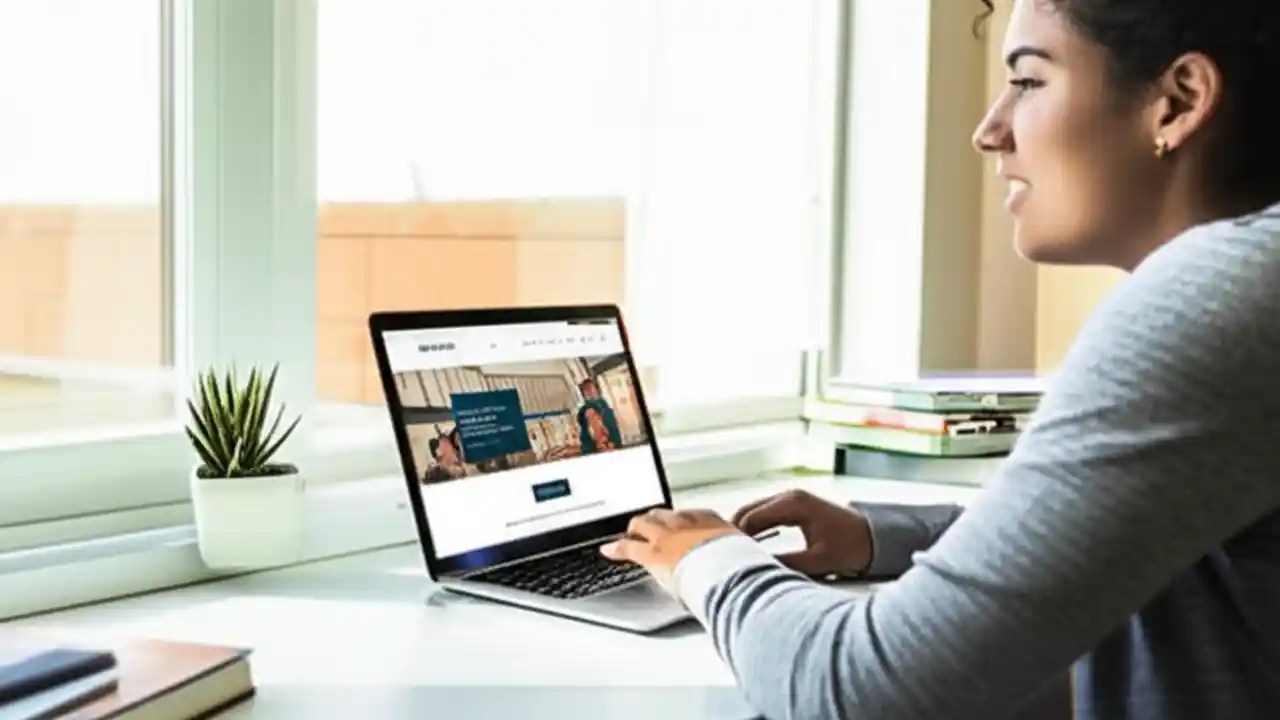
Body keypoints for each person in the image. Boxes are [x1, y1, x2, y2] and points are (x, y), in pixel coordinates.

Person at [601, 1, 1280, 718]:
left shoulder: (1220, 298)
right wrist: (877, 535)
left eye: (1028, 81)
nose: (989, 131)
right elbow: (1116, 531)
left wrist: (706, 558)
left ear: (1178, 102)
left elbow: (861, 692)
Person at [576, 378, 622, 454]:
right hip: (591, 447)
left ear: (596, 390)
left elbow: (613, 432)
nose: (589, 392)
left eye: (591, 389)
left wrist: (613, 444)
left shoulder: (605, 410)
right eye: (586, 390)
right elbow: (582, 423)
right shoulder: (584, 410)